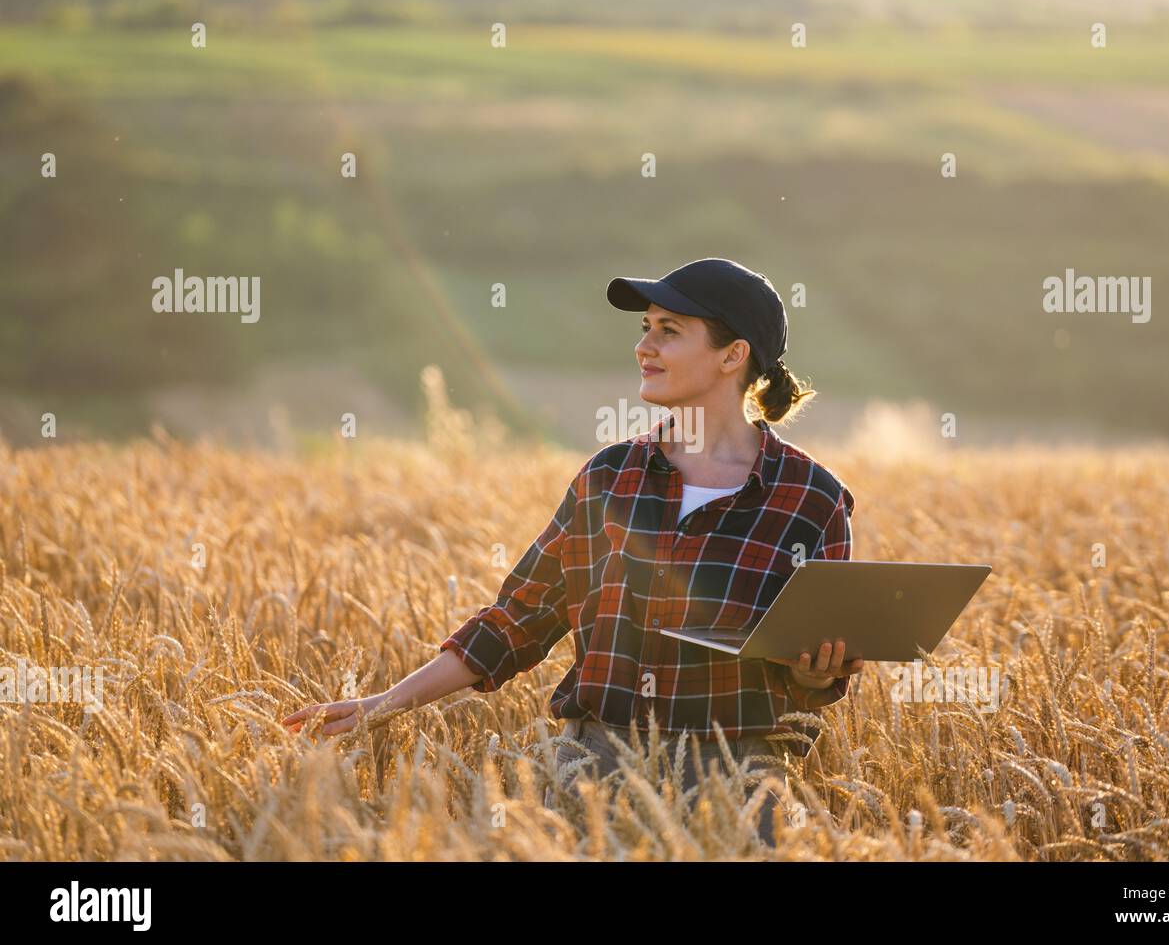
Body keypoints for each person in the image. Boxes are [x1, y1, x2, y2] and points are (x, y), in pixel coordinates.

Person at [282, 257, 862, 848]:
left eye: (670, 331)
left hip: (737, 782)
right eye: (645, 328)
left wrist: (814, 672)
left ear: (732, 355)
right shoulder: (609, 478)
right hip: (594, 770)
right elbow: (517, 622)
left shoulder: (812, 499)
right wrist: (384, 703)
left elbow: (817, 680)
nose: (645, 347)